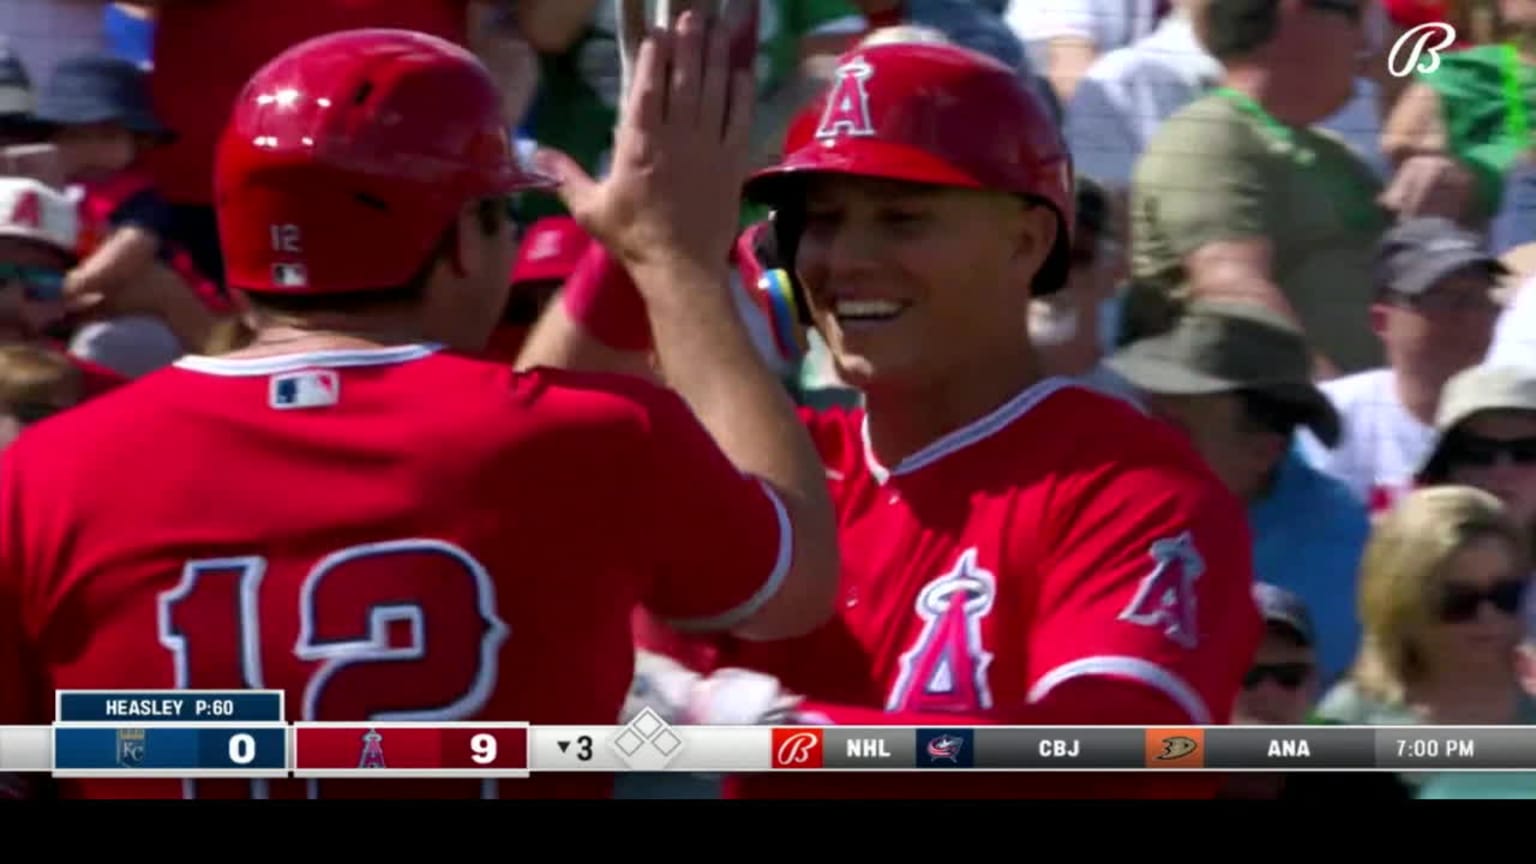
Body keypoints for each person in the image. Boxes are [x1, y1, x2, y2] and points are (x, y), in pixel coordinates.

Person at [0, 24, 839, 799]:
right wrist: (674, 261)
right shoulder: (587, 439)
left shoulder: (40, 473)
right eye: (500, 215)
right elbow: (792, 584)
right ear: (466, 238)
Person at [523, 35, 1261, 799]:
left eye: (903, 219)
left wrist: (753, 724)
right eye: (826, 219)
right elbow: (515, 470)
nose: (847, 258)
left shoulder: (1136, 491)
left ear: (1028, 240)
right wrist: (636, 243)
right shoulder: (782, 467)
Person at [1104, 302, 1368, 686]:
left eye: (1173, 429)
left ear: (1264, 451)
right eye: (1145, 417)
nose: (1145, 443)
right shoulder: (1105, 512)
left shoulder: (1339, 549)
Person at [1126, 0, 1388, 375]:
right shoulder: (1209, 134)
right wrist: (1331, 408)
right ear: (1291, 15)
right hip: (1279, 422)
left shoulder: (1338, 155)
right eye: (1348, 13)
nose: (1365, 42)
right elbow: (1232, 289)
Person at [1303, 218, 1504, 513]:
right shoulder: (1331, 418)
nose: (1469, 318)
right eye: (1442, 299)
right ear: (1382, 321)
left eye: (1478, 300)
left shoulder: (1519, 423)